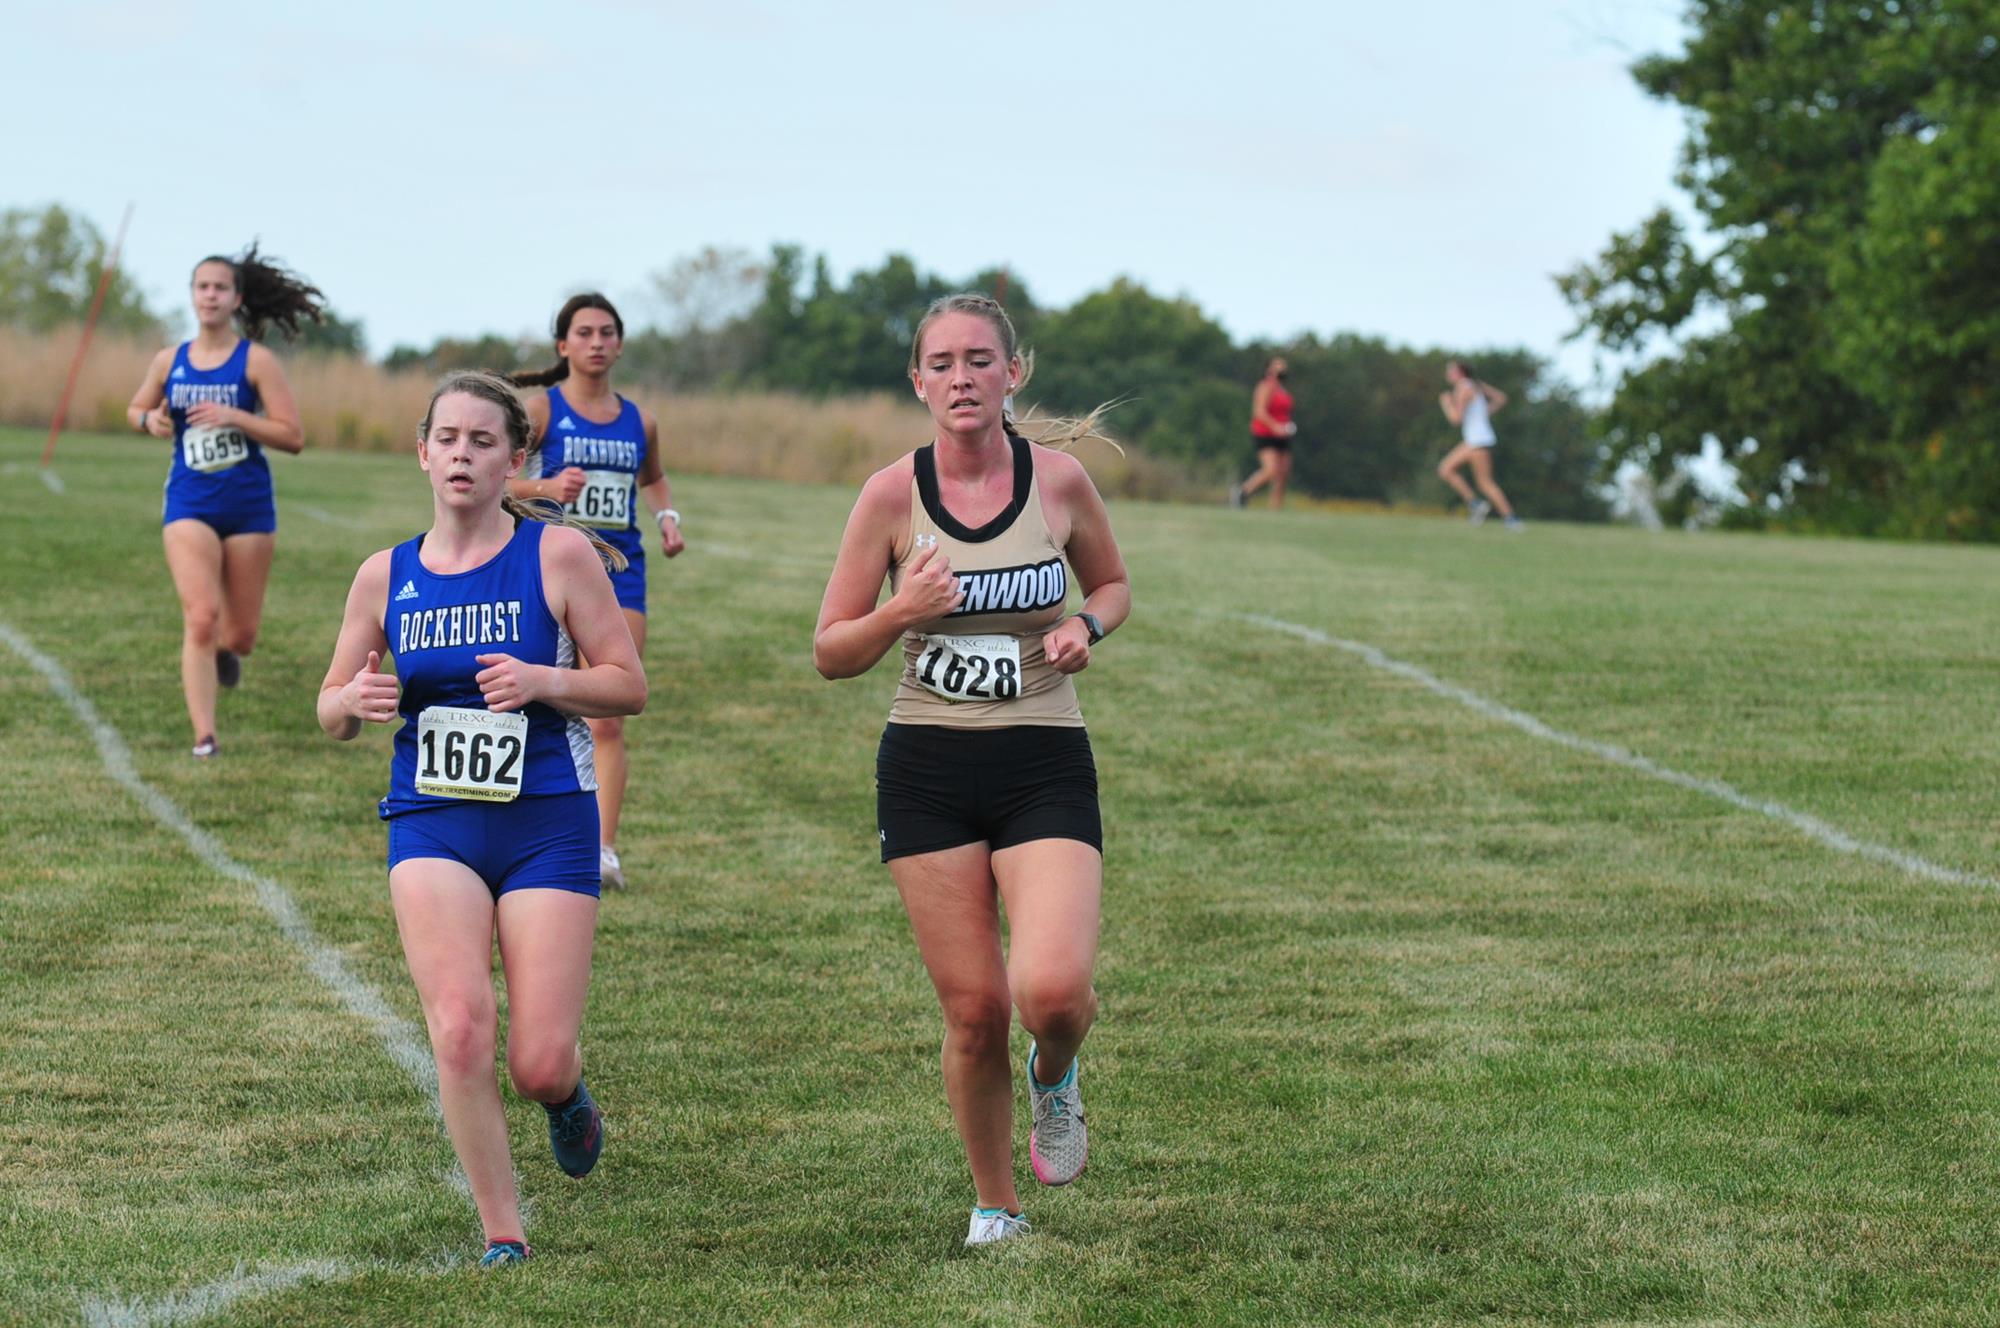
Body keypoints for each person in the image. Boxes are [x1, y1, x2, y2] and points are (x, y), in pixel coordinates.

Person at [813, 294, 1132, 1248]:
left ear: (1012, 374)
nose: (961, 378)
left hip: (1044, 760)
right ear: (918, 383)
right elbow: (832, 650)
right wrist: (900, 610)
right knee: (976, 1008)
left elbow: (1112, 585)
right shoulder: (888, 496)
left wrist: (1084, 624)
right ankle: (997, 1204)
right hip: (927, 770)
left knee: (1053, 993)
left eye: (979, 361)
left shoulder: (1063, 483)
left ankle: (1054, 1075)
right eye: (942, 363)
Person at [317, 371, 646, 1268]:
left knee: (539, 1060)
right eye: (448, 438)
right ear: (422, 452)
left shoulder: (558, 558)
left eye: (483, 441)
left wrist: (545, 682)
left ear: (516, 459)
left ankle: (567, 1097)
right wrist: (356, 695)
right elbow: (329, 710)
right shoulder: (385, 574)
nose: (463, 455)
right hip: (432, 822)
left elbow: (628, 686)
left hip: (545, 820)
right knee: (459, 1023)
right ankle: (504, 1231)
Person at [508, 294, 684, 891]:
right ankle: (532, 824)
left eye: (608, 332)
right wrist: (547, 484)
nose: (597, 342)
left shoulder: (641, 421)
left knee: (607, 714)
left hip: (620, 573)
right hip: (547, 572)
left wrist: (666, 517)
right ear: (563, 346)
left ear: (620, 343)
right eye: (584, 333)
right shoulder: (540, 410)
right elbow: (497, 476)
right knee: (539, 702)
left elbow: (653, 477)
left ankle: (602, 850)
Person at [126, 245, 324, 757]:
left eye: (219, 287)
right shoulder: (169, 360)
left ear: (236, 298)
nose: (210, 295)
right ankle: (205, 737)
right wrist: (150, 420)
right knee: (200, 617)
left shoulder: (255, 361)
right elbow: (136, 407)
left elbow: (293, 436)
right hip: (189, 502)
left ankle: (222, 652)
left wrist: (236, 417)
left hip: (248, 507)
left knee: (240, 636)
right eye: (201, 286)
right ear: (192, 296)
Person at [1436, 358, 1521, 529]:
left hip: (1477, 441)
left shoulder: (1463, 389)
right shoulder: (1474, 385)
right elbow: (1501, 398)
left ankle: (1510, 519)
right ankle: (1477, 505)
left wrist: (1446, 403)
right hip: (1476, 440)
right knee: (1447, 470)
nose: (1448, 374)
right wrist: (1484, 413)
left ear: (1459, 373)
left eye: (1450, 371)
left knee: (1484, 482)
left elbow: (1456, 419)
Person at [1232, 356, 1296, 509]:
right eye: (1278, 366)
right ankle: (1243, 491)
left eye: (1283, 366)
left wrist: (1286, 426)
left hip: (1283, 435)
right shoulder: (1265, 387)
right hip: (1266, 433)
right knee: (1271, 470)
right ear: (1270, 369)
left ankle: (1276, 508)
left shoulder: (1283, 390)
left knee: (1283, 473)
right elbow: (1259, 411)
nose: (1282, 369)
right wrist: (1275, 426)